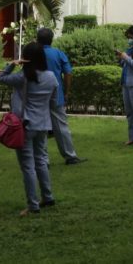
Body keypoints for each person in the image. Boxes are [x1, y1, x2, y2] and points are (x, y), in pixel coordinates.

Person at [0, 42, 59, 214]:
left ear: (26, 58)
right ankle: (47, 196)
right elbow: (53, 102)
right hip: (43, 124)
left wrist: (11, 64)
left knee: (28, 166)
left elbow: (1, 78)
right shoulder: (51, 77)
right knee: (41, 161)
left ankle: (33, 204)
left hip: (25, 125)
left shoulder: (23, 76)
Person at [37, 27, 86, 165]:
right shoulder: (58, 53)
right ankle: (70, 156)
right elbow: (68, 73)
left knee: (40, 128)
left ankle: (43, 160)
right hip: (56, 94)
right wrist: (66, 91)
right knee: (61, 127)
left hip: (37, 95)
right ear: (52, 39)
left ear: (37, 39)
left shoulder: (34, 53)